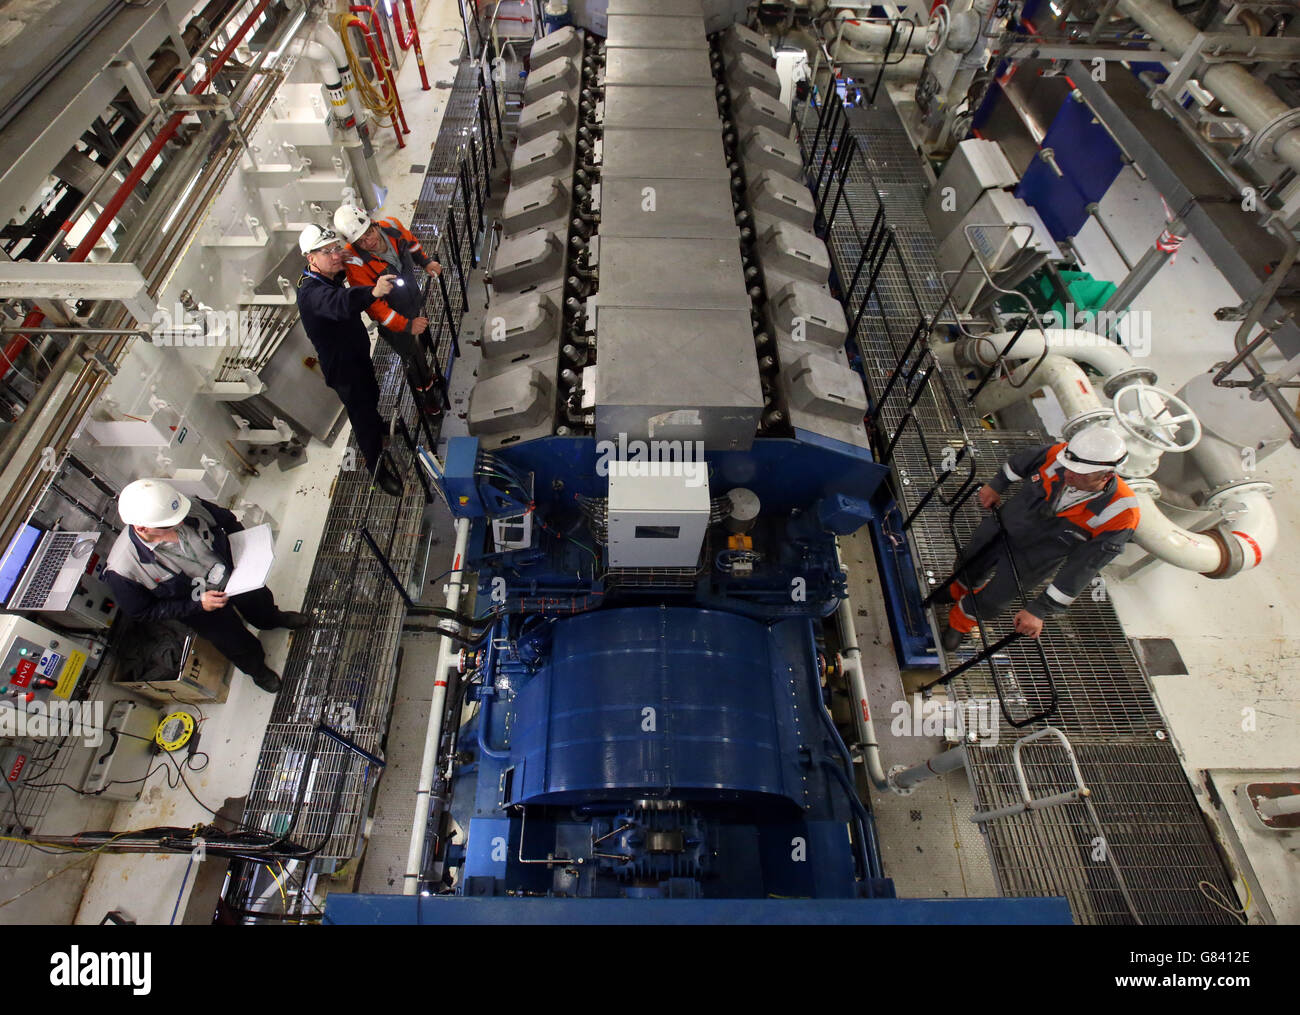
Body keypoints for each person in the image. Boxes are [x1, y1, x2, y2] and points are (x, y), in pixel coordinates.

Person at [934, 425, 1140, 650]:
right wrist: (996, 486)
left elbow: (1084, 567)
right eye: (1069, 467)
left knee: (995, 599)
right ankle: (957, 590)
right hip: (1003, 526)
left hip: (1035, 558)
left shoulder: (1121, 513)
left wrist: (1041, 609)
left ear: (1107, 475)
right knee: (969, 560)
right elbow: (1019, 464)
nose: (1068, 474)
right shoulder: (1061, 456)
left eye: (1080, 473)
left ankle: (961, 620)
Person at [103, 479, 308, 693]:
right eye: (170, 524)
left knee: (260, 602)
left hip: (235, 574)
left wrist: (244, 551)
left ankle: (272, 619)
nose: (180, 523)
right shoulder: (123, 570)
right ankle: (258, 670)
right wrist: (196, 605)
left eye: (180, 516)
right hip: (199, 606)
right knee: (234, 642)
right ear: (142, 528)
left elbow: (227, 520)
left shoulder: (185, 507)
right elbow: (143, 610)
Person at [296, 224, 404, 497]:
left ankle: (380, 425)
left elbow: (348, 266)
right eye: (327, 251)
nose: (335, 255)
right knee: (362, 418)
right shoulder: (313, 295)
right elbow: (341, 301)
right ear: (311, 258)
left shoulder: (328, 274)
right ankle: (376, 468)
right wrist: (373, 292)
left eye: (335, 248)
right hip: (344, 370)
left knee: (373, 394)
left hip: (356, 355)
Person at [333, 204, 448, 415]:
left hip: (414, 302)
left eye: (369, 232)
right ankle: (428, 401)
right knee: (415, 362)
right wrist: (406, 325)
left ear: (374, 224)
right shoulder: (355, 263)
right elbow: (375, 308)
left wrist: (425, 262)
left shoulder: (392, 226)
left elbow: (412, 244)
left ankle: (433, 378)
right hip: (396, 325)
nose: (370, 241)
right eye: (362, 241)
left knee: (425, 344)